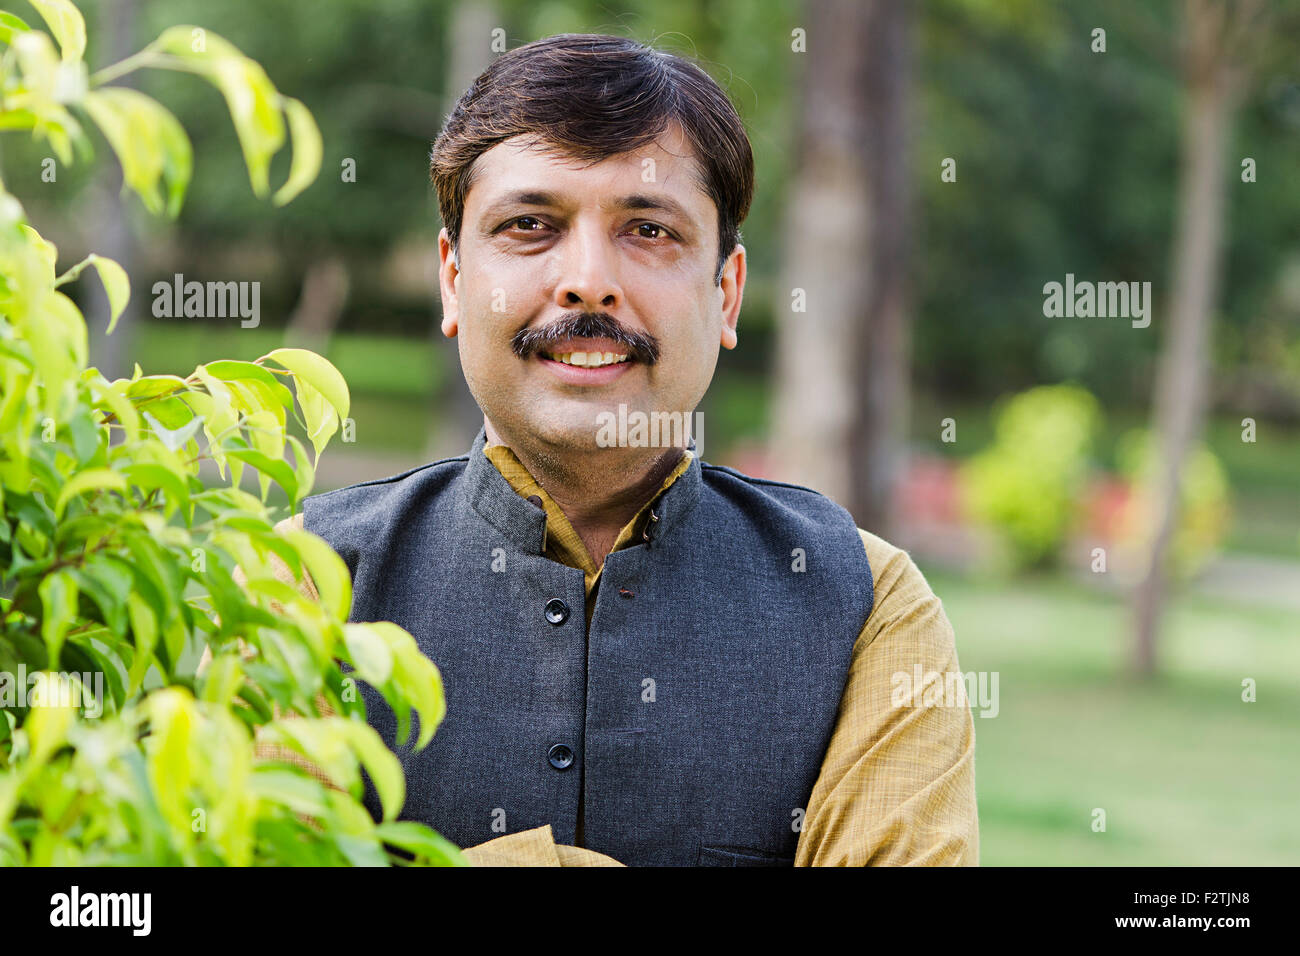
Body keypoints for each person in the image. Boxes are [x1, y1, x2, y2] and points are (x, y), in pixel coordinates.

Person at [214, 33, 978, 867]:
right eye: (530, 225)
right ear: (453, 281)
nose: (587, 280)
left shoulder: (867, 605)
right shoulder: (301, 582)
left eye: (648, 230)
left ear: (725, 294)